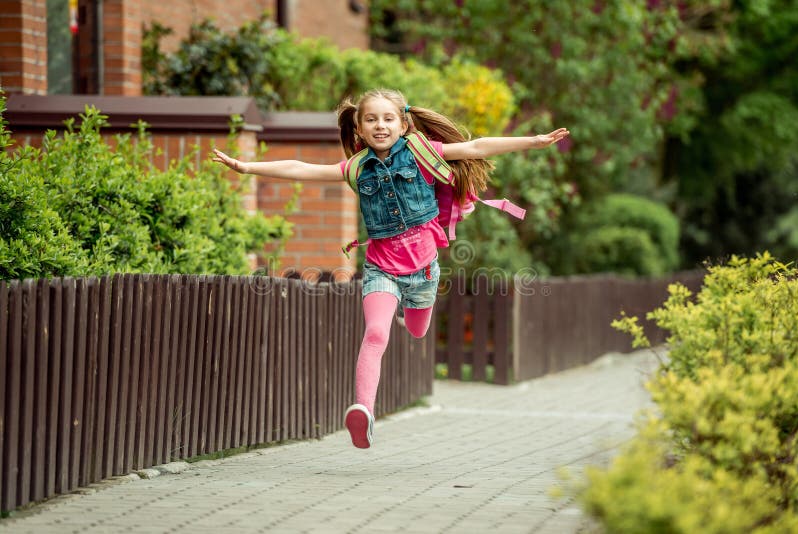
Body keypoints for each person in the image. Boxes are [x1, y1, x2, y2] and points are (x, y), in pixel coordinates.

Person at [212, 88, 569, 449]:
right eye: (371, 119)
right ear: (359, 129)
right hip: (382, 269)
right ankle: (363, 411)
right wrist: (246, 166)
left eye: (387, 119)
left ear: (403, 124)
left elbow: (477, 147)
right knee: (376, 334)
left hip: (425, 270)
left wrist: (535, 141)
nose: (379, 125)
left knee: (416, 330)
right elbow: (301, 169)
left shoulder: (422, 152)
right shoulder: (355, 167)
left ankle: (407, 313)